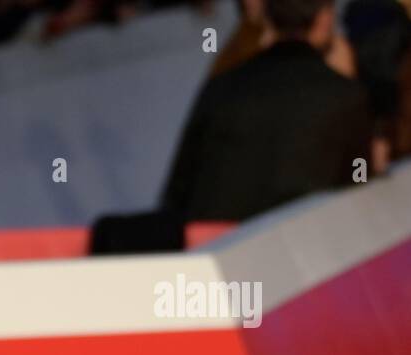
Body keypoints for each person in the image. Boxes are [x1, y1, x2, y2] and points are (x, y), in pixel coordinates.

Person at [160, 0, 373, 223]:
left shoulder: (222, 84)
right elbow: (360, 185)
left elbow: (179, 190)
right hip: (306, 237)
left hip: (218, 240)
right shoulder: (345, 95)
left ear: (268, 19)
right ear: (324, 19)